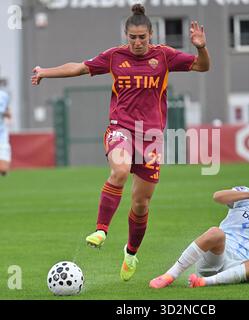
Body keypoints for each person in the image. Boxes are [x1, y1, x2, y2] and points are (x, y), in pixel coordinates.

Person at [31, 3, 210, 281]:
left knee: (141, 205)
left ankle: (131, 253)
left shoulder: (164, 56)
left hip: (151, 137)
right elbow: (78, 68)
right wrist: (45, 71)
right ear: (126, 35)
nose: (137, 42)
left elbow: (202, 67)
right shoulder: (114, 57)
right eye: (132, 37)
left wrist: (200, 47)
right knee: (120, 170)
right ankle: (101, 229)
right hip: (121, 128)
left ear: (151, 34)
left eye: (142, 37)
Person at [149, 160, 249, 289]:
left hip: (242, 267)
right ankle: (169, 275)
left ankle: (204, 282)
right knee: (216, 232)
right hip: (216, 257)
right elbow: (217, 197)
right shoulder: (246, 194)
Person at [0, 79, 12, 176]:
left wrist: (7, 114)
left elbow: (8, 112)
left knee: (4, 169)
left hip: (2, 133)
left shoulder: (3, 95)